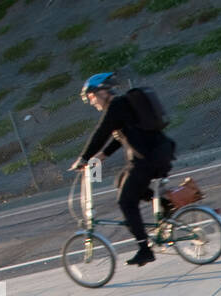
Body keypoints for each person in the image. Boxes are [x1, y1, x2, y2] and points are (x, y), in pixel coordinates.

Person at [70, 72, 176, 267]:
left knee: (126, 202)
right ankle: (164, 203)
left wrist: (83, 158)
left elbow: (101, 133)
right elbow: (121, 137)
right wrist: (100, 157)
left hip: (147, 159)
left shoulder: (116, 106)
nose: (92, 102)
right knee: (120, 181)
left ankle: (145, 249)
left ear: (102, 91)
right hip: (159, 153)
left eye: (92, 97)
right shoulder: (123, 106)